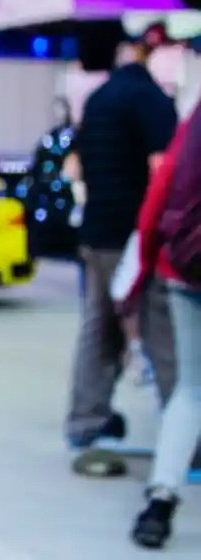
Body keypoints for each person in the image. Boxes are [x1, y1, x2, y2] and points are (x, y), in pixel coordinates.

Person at [65, 23, 179, 477]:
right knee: (162, 330)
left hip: (96, 232)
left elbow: (75, 165)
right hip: (134, 234)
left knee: (100, 327)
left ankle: (86, 420)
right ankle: (185, 435)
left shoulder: (99, 100)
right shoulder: (148, 97)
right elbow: (163, 169)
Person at [127, 109, 198, 548]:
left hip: (188, 267)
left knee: (190, 390)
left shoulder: (196, 121)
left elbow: (165, 181)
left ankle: (161, 500)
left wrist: (150, 253)